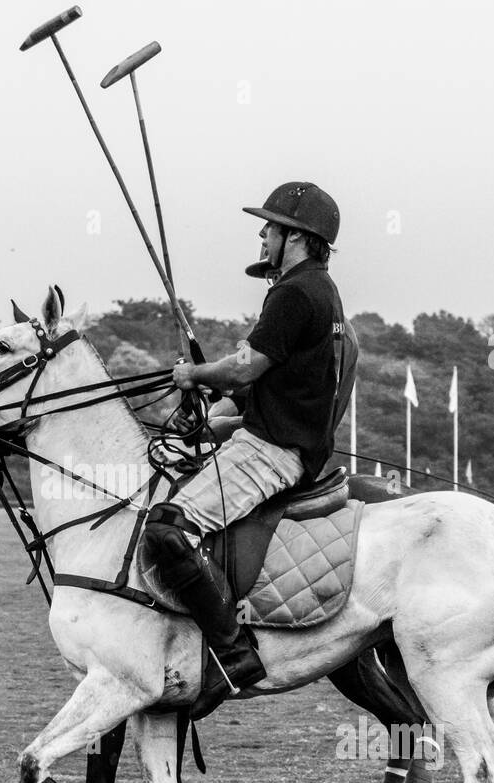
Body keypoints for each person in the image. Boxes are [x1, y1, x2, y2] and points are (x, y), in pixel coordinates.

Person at [143, 181, 354, 716]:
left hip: (274, 450)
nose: (262, 234)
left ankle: (231, 654)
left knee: (169, 528)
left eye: (271, 226)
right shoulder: (318, 290)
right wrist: (219, 416)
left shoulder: (295, 292)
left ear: (296, 236)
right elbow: (271, 385)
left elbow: (246, 367)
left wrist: (194, 374)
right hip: (272, 436)